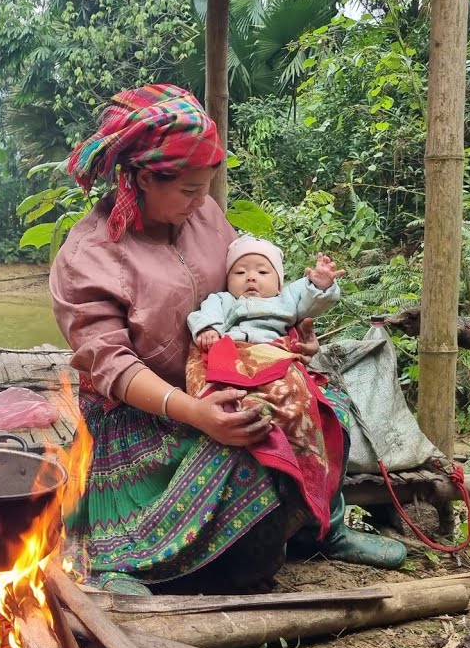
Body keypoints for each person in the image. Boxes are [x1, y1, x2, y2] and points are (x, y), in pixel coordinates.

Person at [50, 84, 406, 596]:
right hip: (141, 411)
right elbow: (110, 366)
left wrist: (288, 331)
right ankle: (126, 559)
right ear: (147, 177)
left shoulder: (203, 218)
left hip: (226, 374)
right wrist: (196, 412)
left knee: (325, 403)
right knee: (241, 448)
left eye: (206, 189)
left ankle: (321, 528)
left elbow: (247, 287)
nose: (201, 204)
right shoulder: (90, 256)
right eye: (189, 191)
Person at [188, 235, 344, 352]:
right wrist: (209, 329)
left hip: (274, 353)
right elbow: (208, 312)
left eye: (262, 272)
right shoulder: (224, 299)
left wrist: (319, 285)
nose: (250, 277)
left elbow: (312, 302)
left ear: (278, 285)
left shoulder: (286, 299)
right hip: (232, 351)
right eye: (240, 272)